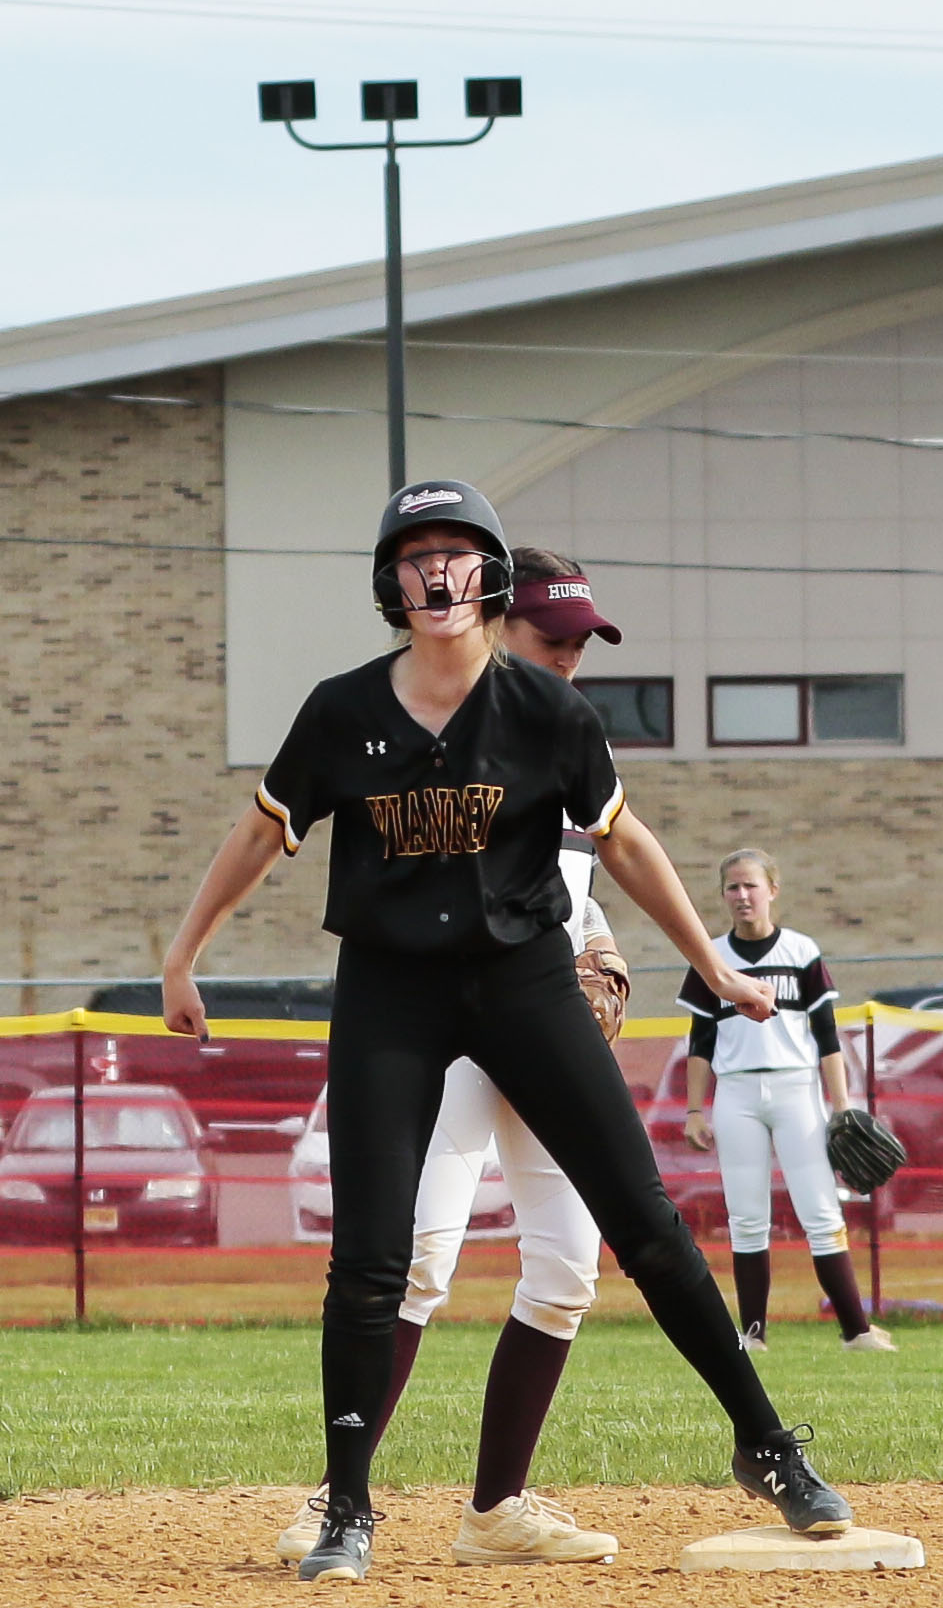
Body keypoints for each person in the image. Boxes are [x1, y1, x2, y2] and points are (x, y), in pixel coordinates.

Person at [162, 480, 854, 1581]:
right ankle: (345, 1508)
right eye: (413, 555)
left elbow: (623, 843)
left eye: (454, 553)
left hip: (524, 982)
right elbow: (264, 831)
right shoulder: (342, 710)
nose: (435, 573)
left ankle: (765, 1445)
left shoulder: (546, 713)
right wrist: (183, 949)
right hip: (392, 991)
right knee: (372, 1263)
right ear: (390, 583)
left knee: (643, 1225)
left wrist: (710, 962)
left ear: (487, 577)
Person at [270, 544, 634, 1569]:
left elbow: (575, 890)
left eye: (579, 645)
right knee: (414, 1261)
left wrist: (600, 951)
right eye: (551, 638)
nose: (567, 659)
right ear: (492, 620)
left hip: (546, 1029)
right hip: (454, 1035)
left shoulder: (558, 733)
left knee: (565, 1273)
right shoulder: (419, 732)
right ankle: (332, 1501)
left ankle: (495, 1512)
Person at [684, 849, 894, 1351]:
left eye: (751, 886)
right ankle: (753, 1335)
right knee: (747, 1216)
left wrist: (841, 1105)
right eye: (732, 887)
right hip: (735, 1092)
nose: (742, 896)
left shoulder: (801, 950)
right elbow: (700, 1040)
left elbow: (826, 1037)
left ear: (772, 890)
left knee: (821, 1211)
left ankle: (856, 1331)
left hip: (797, 1087)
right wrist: (694, 1108)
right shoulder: (712, 956)